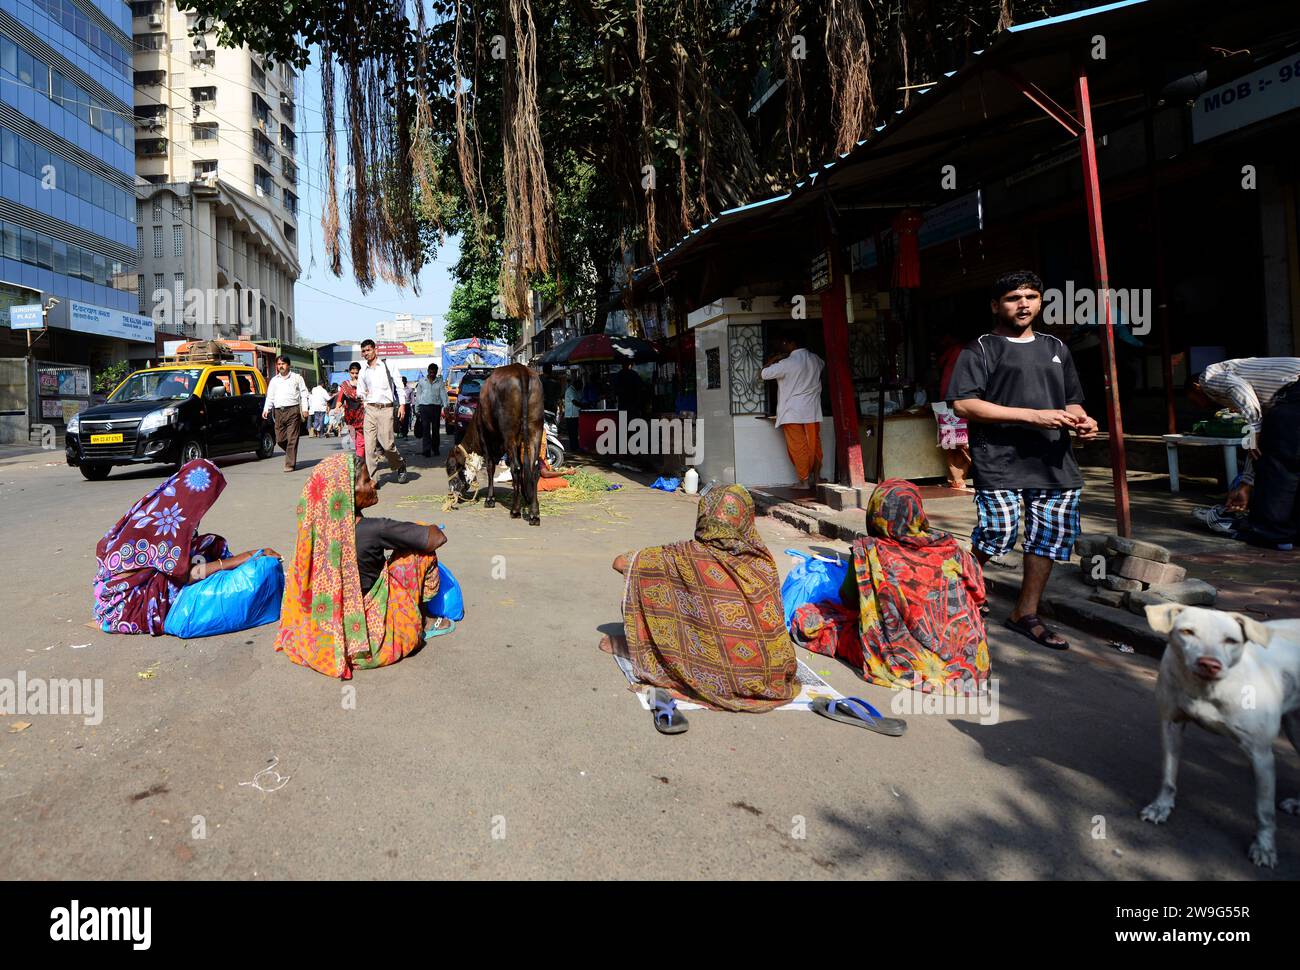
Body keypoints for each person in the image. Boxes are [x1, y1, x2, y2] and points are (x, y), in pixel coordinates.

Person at [949, 270, 1099, 651]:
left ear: (1040, 301)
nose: (1024, 304)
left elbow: (1072, 400)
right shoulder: (981, 348)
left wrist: (1082, 420)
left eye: (1031, 296)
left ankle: (1025, 614)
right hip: (999, 460)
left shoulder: (1056, 347)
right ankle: (956, 593)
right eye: (1015, 298)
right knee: (998, 532)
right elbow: (964, 403)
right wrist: (1034, 415)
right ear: (996, 305)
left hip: (1053, 461)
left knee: (1048, 540)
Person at [599, 485, 798, 722]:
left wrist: (666, 571)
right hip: (771, 676)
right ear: (746, 519)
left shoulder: (681, 557)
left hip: (714, 676)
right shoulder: (763, 562)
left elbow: (620, 563)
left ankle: (644, 648)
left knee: (655, 581)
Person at [791, 479, 990, 694]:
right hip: (970, 662)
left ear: (876, 514)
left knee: (809, 619)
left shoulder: (870, 552)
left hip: (905, 660)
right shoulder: (951, 548)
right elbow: (979, 599)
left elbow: (848, 600)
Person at [275, 454, 453, 679]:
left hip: (328, 634)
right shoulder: (374, 529)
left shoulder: (317, 530)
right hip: (375, 639)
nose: (374, 483)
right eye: (367, 480)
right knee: (418, 552)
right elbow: (436, 538)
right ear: (349, 493)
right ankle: (423, 620)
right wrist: (422, 529)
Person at [93, 459, 280, 635]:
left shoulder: (164, 507)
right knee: (204, 558)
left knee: (210, 544)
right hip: (124, 606)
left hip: (141, 582)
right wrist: (243, 557)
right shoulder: (162, 524)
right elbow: (186, 575)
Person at [1190, 357, 1300, 549]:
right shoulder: (1263, 397)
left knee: (1279, 468)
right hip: (1290, 399)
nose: (1200, 407)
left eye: (1194, 400)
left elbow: (1239, 388)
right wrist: (1246, 484)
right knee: (1288, 456)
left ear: (1195, 387)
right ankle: (1293, 533)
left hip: (1296, 392)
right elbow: (1258, 449)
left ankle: (1272, 534)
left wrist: (1254, 430)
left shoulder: (1208, 376)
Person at [760, 332, 826, 492]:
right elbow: (822, 365)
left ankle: (803, 481)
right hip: (812, 410)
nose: (783, 346)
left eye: (784, 343)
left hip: (793, 412)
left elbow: (763, 374)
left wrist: (774, 359)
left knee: (798, 447)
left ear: (792, 344)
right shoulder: (816, 359)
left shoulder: (787, 363)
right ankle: (817, 478)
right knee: (814, 445)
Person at [357, 338, 409, 484]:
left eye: (368, 350)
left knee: (387, 445)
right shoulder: (363, 371)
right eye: (363, 351)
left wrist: (403, 405)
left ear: (375, 350)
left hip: (386, 409)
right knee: (369, 447)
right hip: (370, 410)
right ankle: (372, 479)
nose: (366, 353)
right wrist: (365, 401)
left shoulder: (388, 364)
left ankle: (400, 464)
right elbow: (360, 391)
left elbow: (399, 386)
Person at [932, 333, 971, 489]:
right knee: (965, 443)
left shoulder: (948, 355)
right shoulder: (963, 351)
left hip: (947, 400)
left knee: (951, 444)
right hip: (962, 399)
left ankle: (956, 480)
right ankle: (962, 478)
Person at [262, 356, 309, 471]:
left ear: (289, 365)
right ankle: (291, 452)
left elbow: (304, 393)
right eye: (278, 364)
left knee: (292, 439)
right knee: (280, 440)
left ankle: (289, 464)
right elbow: (270, 397)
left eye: (283, 364)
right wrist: (266, 409)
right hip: (278, 412)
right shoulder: (274, 380)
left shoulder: (297, 378)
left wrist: (305, 408)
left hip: (293, 411)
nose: (280, 366)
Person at [415, 363, 448, 458]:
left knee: (435, 429)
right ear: (428, 371)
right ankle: (426, 450)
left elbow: (443, 395)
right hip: (424, 408)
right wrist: (416, 409)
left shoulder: (440, 382)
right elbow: (418, 396)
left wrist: (445, 406)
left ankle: (435, 448)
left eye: (434, 372)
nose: (432, 374)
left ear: (437, 372)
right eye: (431, 372)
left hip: (436, 408)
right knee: (425, 430)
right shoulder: (421, 381)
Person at [336, 362, 366, 459]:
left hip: (362, 414)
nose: (354, 375)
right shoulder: (345, 385)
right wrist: (337, 407)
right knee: (354, 438)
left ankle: (360, 459)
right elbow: (340, 399)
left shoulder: (364, 384)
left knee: (361, 438)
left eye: (356, 373)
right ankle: (362, 457)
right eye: (352, 373)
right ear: (349, 373)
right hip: (350, 416)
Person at [563, 374, 582, 452]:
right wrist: (584, 405)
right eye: (580, 385)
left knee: (575, 433)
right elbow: (575, 402)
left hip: (575, 415)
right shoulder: (570, 390)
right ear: (576, 384)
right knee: (572, 433)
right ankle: (573, 448)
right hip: (570, 416)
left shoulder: (575, 391)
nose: (581, 387)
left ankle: (575, 447)